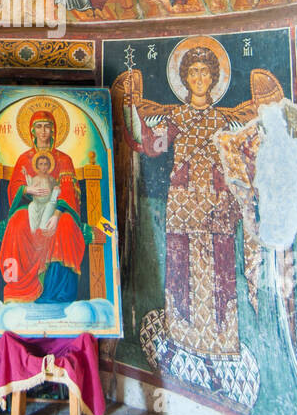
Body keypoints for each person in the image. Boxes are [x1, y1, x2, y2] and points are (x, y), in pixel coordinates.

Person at [114, 54, 283, 391]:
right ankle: (182, 337)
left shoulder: (225, 119)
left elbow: (250, 143)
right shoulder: (176, 117)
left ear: (215, 78)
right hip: (183, 207)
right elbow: (152, 144)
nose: (199, 77)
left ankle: (220, 345)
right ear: (185, 79)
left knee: (220, 273)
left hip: (218, 208)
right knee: (180, 271)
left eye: (206, 72)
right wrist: (131, 107)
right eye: (192, 72)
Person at [0, 110, 86, 305]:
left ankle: (57, 293)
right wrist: (27, 188)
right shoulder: (24, 159)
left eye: (47, 126)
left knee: (65, 225)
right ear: (32, 130)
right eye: (39, 126)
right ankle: (19, 287)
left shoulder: (64, 160)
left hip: (58, 209)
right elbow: (14, 189)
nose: (43, 131)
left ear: (54, 130)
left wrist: (56, 214)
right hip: (31, 207)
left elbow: (68, 192)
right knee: (16, 223)